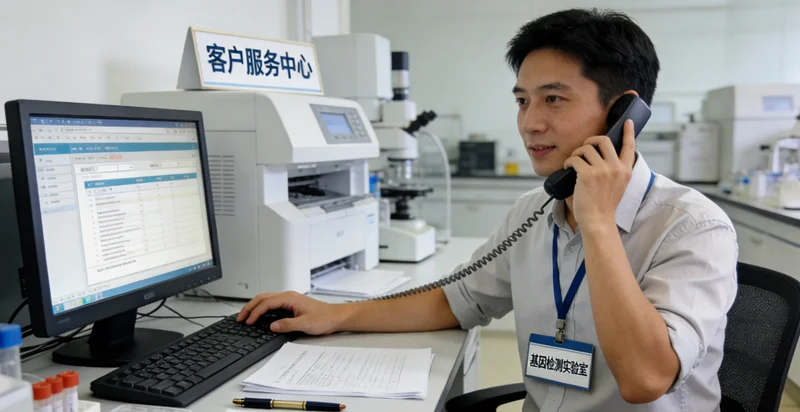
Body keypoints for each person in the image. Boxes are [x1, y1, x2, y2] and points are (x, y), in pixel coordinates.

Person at [237, 8, 738, 411]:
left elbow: (646, 378)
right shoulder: (532, 211)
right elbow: (455, 301)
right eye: (522, 100)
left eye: (554, 99)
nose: (530, 123)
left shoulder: (691, 227)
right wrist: (335, 315)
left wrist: (599, 223)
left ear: (622, 115)